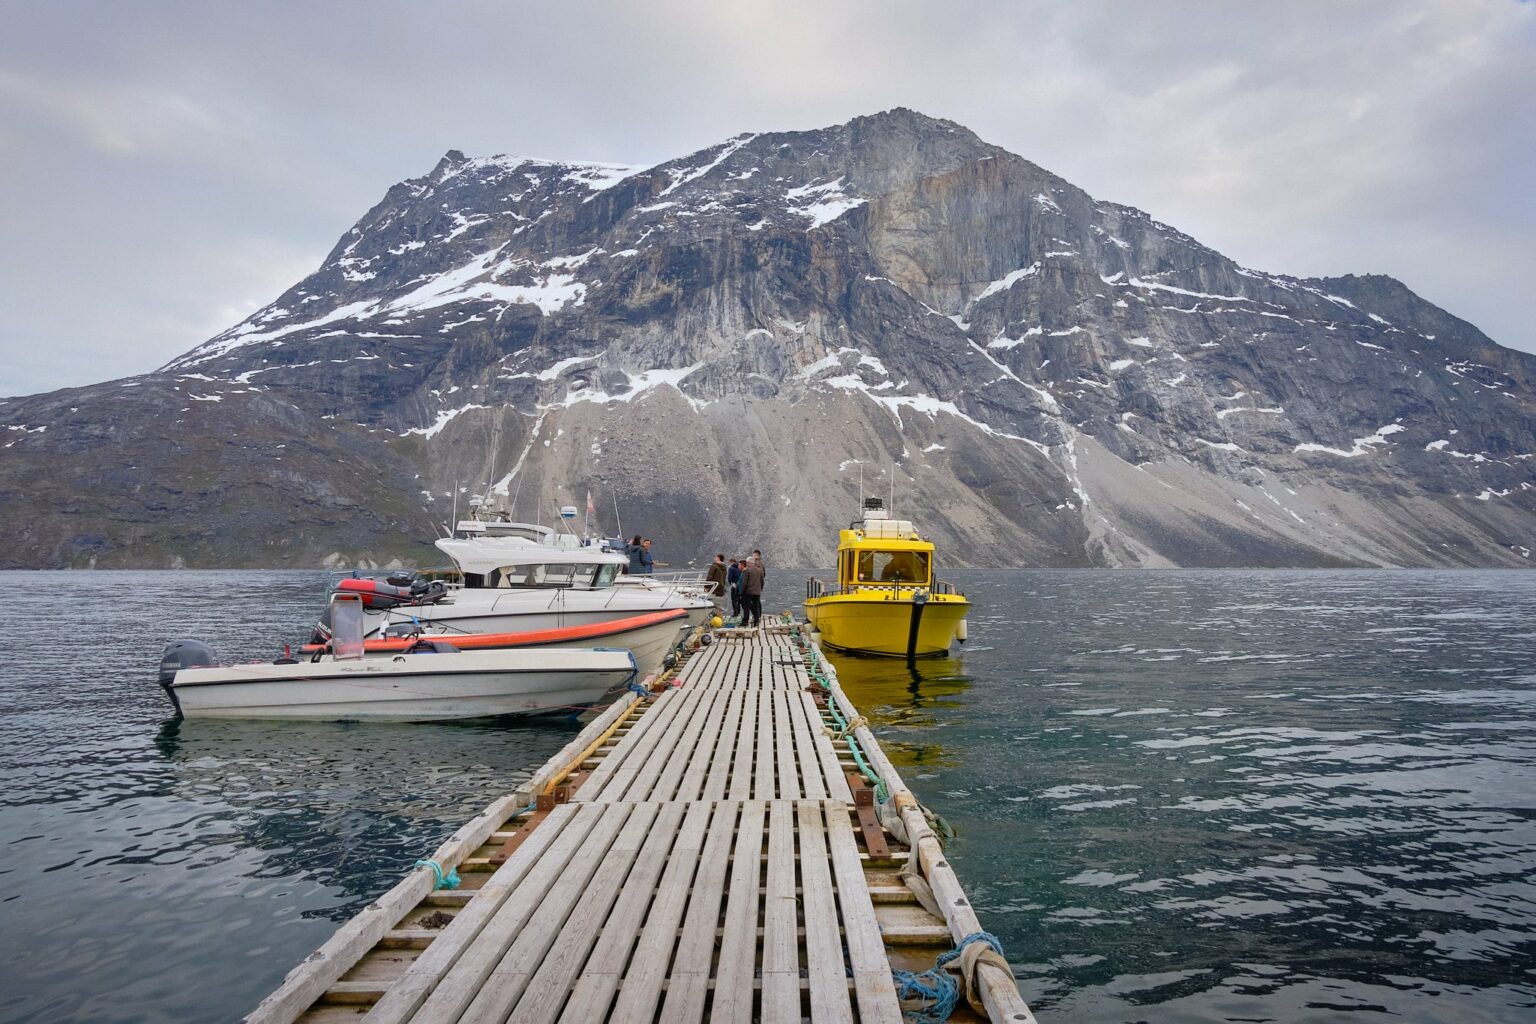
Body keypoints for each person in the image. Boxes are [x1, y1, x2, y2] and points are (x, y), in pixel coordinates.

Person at [740, 553, 765, 627]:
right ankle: (756, 621)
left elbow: (744, 583)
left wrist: (742, 592)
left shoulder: (747, 571)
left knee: (746, 607)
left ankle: (745, 621)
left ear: (748, 563)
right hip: (757, 592)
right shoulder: (760, 570)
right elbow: (762, 582)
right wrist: (760, 589)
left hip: (748, 592)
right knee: (756, 607)